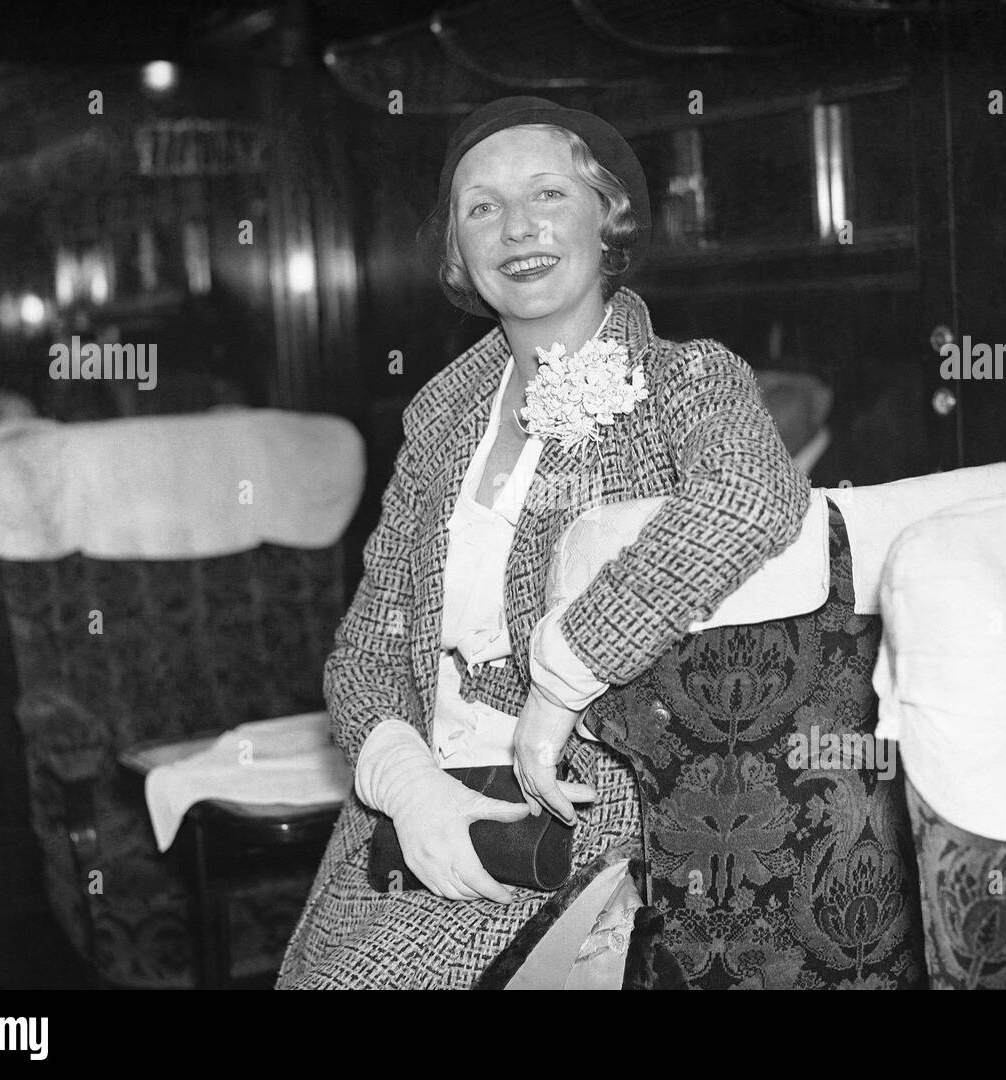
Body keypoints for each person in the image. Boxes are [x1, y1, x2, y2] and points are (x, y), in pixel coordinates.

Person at [277, 96, 810, 989]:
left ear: (611, 218)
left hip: (585, 824)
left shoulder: (687, 381)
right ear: (457, 249)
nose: (516, 227)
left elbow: (755, 497)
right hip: (418, 824)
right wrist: (408, 785)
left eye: (549, 193)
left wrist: (562, 676)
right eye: (480, 206)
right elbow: (365, 649)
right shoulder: (440, 422)